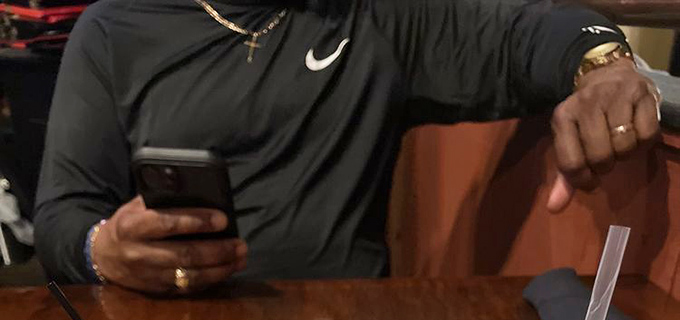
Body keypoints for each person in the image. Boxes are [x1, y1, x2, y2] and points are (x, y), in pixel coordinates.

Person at [34, 0, 661, 294]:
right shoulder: (114, 28)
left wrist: (603, 64)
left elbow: (527, 31)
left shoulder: (373, 17)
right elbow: (62, 217)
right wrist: (104, 251)